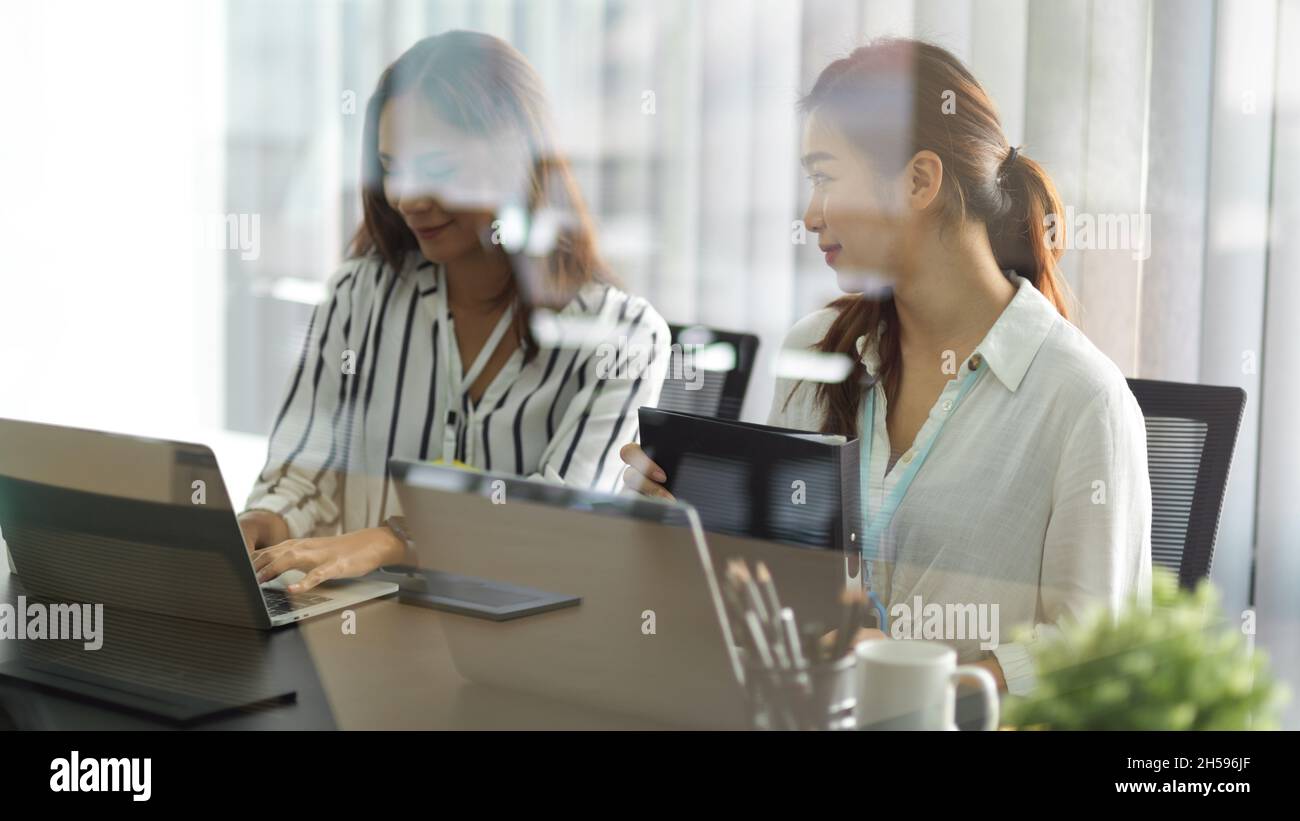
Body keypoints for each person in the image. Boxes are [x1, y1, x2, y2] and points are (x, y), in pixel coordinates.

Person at [620, 39, 1151, 694]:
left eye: (823, 176)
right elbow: (772, 587)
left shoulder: (1081, 400)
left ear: (920, 181)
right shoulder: (816, 352)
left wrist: (927, 683)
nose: (810, 215)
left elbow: (1100, 655)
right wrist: (687, 529)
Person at [240, 31, 669, 592]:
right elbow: (303, 475)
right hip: (359, 641)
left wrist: (399, 539)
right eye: (391, 167)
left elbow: (561, 517)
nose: (406, 198)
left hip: (524, 656)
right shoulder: (357, 297)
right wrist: (263, 524)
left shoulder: (624, 337)